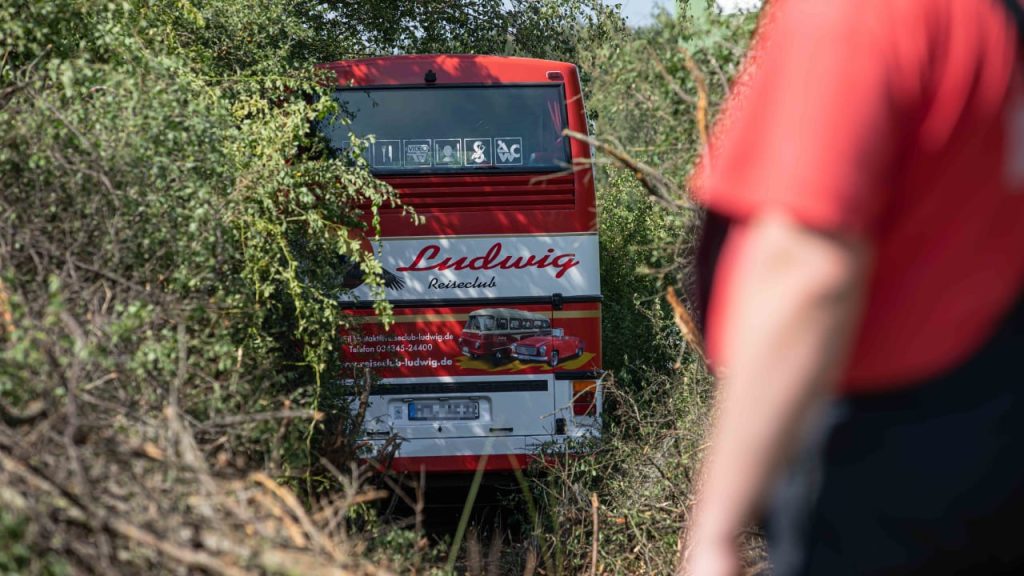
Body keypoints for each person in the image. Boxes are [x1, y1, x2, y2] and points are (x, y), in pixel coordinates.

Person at [682, 1, 1024, 574]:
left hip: (883, 482)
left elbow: (809, 270)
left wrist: (715, 530)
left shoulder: (860, 13)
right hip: (985, 451)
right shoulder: (989, 19)